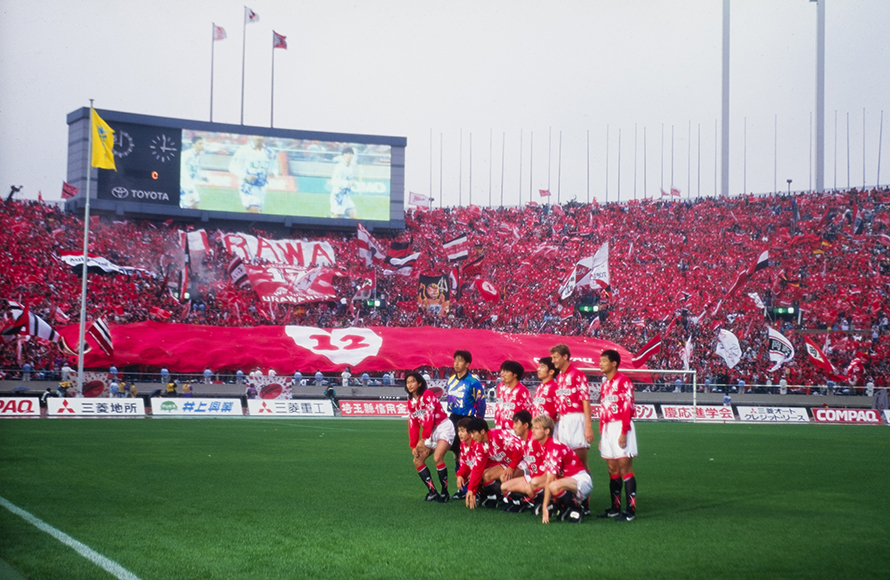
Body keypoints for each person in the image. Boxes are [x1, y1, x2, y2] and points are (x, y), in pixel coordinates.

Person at [550, 343, 594, 516]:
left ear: (565, 357)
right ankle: (568, 499)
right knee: (565, 462)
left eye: (555, 357)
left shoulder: (578, 374)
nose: (553, 360)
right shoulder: (560, 377)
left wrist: (588, 426)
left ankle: (586, 504)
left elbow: (585, 400)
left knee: (581, 462)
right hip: (564, 421)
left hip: (577, 419)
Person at [596, 349, 638, 522]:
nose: (600, 363)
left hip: (621, 425)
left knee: (624, 468)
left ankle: (630, 510)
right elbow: (603, 410)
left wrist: (624, 431)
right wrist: (601, 434)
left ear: (614, 363)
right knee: (612, 469)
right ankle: (615, 507)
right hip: (607, 428)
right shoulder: (605, 384)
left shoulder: (624, 381)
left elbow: (627, 406)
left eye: (604, 360)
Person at [406, 371, 455, 502]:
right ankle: (432, 492)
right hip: (430, 432)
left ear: (420, 383)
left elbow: (429, 417)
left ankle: (445, 493)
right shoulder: (410, 402)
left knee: (437, 457)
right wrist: (413, 445)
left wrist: (423, 439)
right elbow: (413, 425)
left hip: (443, 427)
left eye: (412, 381)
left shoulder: (428, 395)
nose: (410, 385)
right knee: (417, 460)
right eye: (407, 382)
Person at [444, 350, 487, 499]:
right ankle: (461, 489)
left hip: (467, 419)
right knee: (457, 453)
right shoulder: (450, 380)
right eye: (455, 359)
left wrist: (478, 422)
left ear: (467, 364)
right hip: (453, 418)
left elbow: (481, 403)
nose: (456, 363)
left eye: (460, 360)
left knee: (469, 454)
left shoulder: (473, 382)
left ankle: (474, 487)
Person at [537, 414, 592, 524]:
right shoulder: (545, 446)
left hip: (580, 480)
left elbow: (550, 479)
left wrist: (544, 506)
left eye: (537, 428)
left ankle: (577, 508)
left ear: (547, 431)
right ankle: (564, 506)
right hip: (569, 481)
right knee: (537, 482)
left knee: (553, 485)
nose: (533, 431)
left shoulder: (554, 447)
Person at [463, 417, 524, 510]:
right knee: (485, 475)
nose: (472, 436)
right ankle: (496, 499)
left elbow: (519, 448)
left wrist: (511, 467)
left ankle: (520, 501)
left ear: (482, 431)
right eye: (470, 433)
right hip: (507, 464)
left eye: (473, 432)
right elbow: (477, 468)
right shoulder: (481, 446)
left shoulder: (498, 435)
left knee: (505, 477)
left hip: (523, 461)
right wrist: (471, 489)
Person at [229, 135, 278, 213]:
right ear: (252, 137)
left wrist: (273, 173)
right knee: (254, 210)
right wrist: (246, 176)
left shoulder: (270, 153)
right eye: (256, 136)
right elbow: (232, 167)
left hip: (261, 187)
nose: (259, 138)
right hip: (247, 186)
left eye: (261, 136)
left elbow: (275, 169)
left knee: (256, 215)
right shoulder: (243, 150)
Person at [494, 360, 532, 433]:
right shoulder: (500, 387)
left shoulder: (523, 391)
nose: (502, 374)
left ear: (515, 375)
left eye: (506, 371)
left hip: (513, 430)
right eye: (502, 370)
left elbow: (528, 413)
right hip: (499, 426)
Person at [330, 147, 359, 219]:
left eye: (351, 154)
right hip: (338, 196)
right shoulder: (339, 167)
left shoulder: (350, 167)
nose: (350, 156)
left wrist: (352, 183)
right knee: (337, 217)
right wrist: (347, 183)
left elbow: (349, 179)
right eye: (348, 154)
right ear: (343, 155)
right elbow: (334, 181)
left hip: (346, 196)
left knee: (353, 215)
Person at [180, 135, 206, 209]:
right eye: (200, 143)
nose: (202, 145)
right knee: (190, 204)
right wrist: (186, 180)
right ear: (193, 145)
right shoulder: (187, 154)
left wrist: (202, 177)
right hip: (184, 184)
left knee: (195, 203)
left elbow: (196, 169)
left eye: (203, 143)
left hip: (189, 183)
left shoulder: (198, 156)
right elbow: (180, 166)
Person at [532, 356, 560, 422]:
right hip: (537, 426)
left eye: (542, 367)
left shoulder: (556, 388)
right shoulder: (538, 388)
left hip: (549, 427)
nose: (538, 369)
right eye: (539, 367)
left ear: (551, 372)